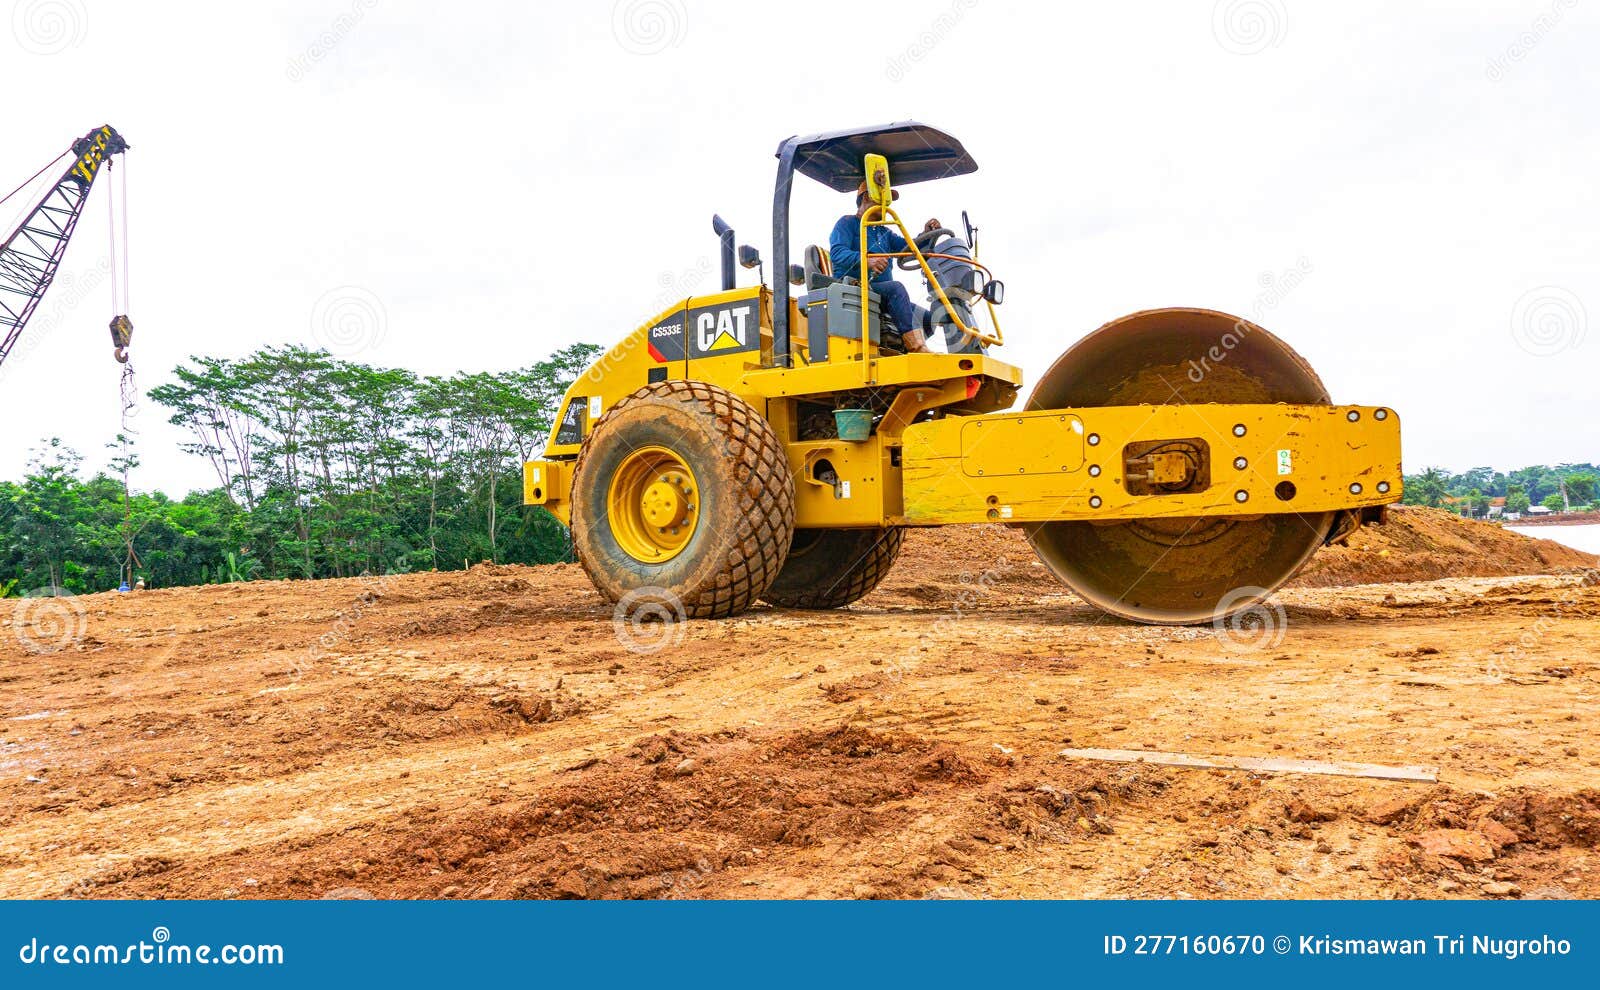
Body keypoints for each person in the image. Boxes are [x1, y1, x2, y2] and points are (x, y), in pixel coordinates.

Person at [828, 181, 941, 353]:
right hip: (856, 287)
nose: (887, 204)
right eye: (883, 199)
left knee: (928, 319)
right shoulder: (847, 223)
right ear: (866, 197)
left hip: (882, 294)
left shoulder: (883, 232)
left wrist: (925, 235)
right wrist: (867, 260)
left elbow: (908, 248)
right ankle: (917, 348)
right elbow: (837, 253)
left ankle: (903, 351)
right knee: (896, 288)